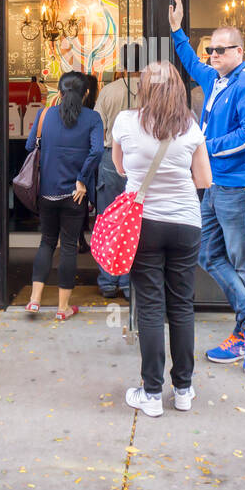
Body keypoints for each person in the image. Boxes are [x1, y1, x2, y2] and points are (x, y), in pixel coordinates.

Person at [168, 0, 245, 373]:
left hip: (241, 187)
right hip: (216, 185)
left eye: (220, 49)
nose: (212, 54)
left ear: (239, 51)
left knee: (244, 263)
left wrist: (203, 146)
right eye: (210, 48)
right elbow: (192, 64)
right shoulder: (216, 77)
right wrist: (178, 29)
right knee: (208, 254)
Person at [116, 61, 211, 417]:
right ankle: (184, 390)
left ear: (143, 87)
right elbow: (204, 180)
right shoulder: (191, 125)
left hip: (144, 223)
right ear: (177, 88)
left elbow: (120, 166)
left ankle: (152, 393)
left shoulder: (127, 121)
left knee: (152, 307)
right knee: (182, 306)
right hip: (186, 223)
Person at [24, 71, 104, 320]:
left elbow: (29, 147)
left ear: (58, 93)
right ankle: (62, 308)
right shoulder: (93, 118)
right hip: (75, 195)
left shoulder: (44, 114)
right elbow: (98, 151)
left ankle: (34, 300)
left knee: (47, 241)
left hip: (46, 191)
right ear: (86, 93)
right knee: (69, 246)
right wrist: (81, 178)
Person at [93, 40, 143, 298]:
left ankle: (108, 281)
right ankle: (128, 283)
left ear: (123, 64)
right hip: (141, 161)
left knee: (110, 220)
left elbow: (97, 129)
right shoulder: (151, 90)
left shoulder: (108, 92)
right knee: (135, 222)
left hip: (110, 158)